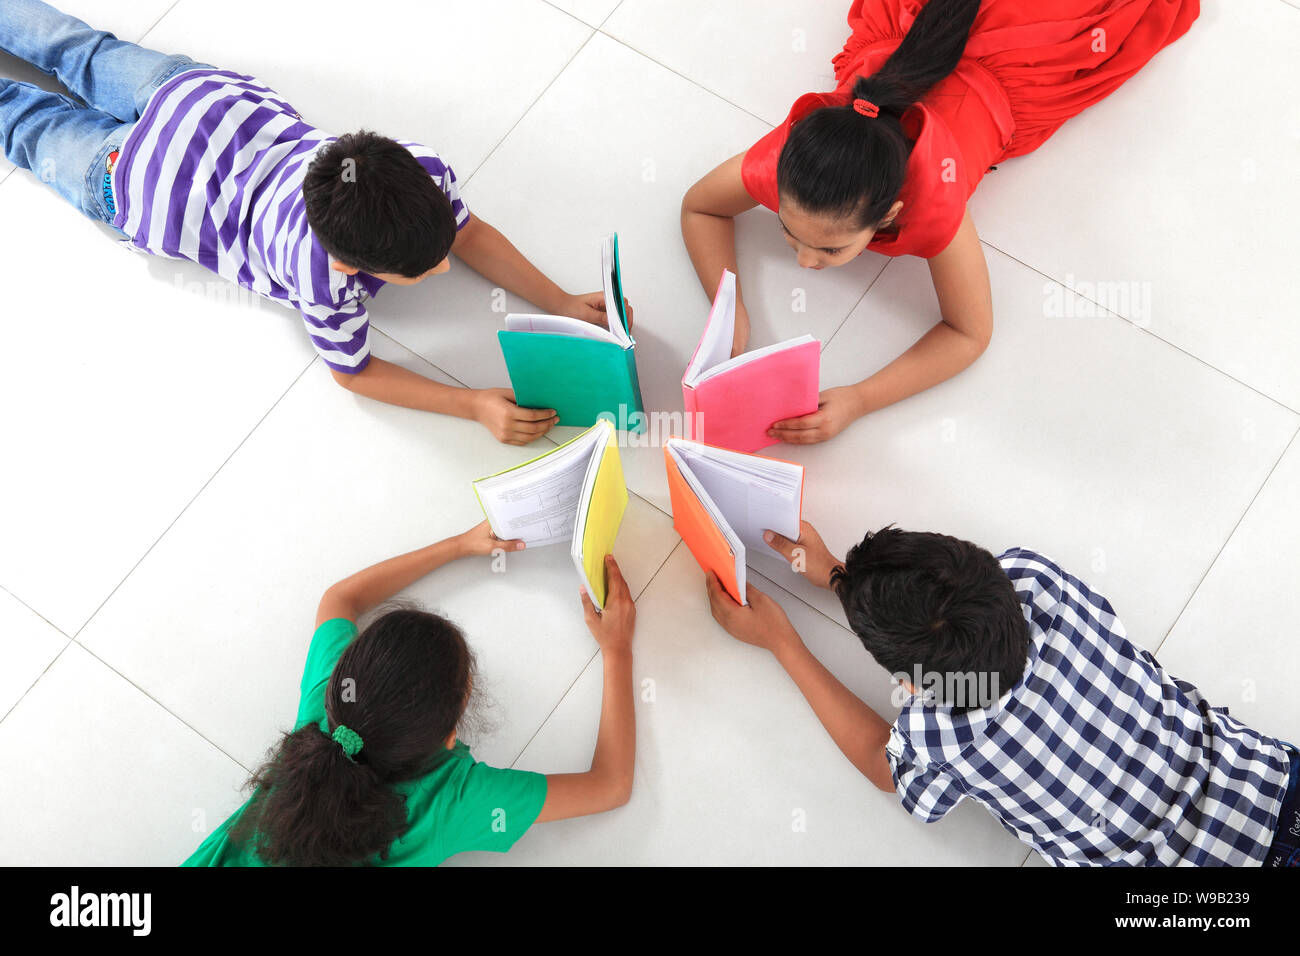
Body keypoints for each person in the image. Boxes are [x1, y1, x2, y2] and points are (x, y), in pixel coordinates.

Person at [0, 0, 623, 446]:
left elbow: (469, 233)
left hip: (195, 100)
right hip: (132, 182)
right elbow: (356, 372)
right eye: (422, 268)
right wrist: (471, 404)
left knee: (75, 50)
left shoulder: (418, 169)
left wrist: (560, 300)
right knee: (24, 122)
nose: (443, 263)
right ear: (352, 267)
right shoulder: (322, 281)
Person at [681, 0, 1199, 444]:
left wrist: (860, 400)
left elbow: (969, 333)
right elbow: (700, 205)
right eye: (788, 234)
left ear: (890, 214)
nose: (805, 260)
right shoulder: (796, 164)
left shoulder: (934, 202)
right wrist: (729, 309)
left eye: (832, 250)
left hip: (1016, 54)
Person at [705, 519, 1298, 866]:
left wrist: (785, 643)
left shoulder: (937, 734)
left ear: (913, 686)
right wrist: (841, 574)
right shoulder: (1038, 581)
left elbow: (885, 769)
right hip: (1272, 783)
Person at [184, 522, 637, 866]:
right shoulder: (455, 799)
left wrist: (460, 544)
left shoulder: (326, 712)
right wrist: (617, 652)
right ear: (448, 738)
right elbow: (611, 787)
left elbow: (339, 600)